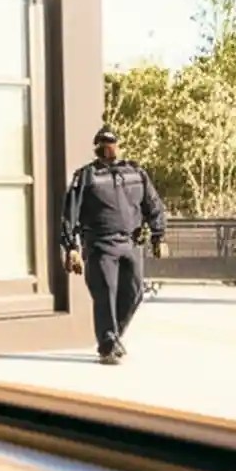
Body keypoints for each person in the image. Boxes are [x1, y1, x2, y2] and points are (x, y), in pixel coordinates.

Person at [60, 126, 168, 365]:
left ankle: (113, 337)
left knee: (134, 292)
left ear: (118, 145)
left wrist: (159, 235)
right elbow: (70, 214)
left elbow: (153, 204)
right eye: (102, 143)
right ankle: (108, 346)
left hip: (130, 243)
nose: (108, 147)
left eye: (112, 142)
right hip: (100, 245)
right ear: (96, 148)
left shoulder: (135, 173)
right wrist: (72, 248)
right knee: (105, 293)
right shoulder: (86, 176)